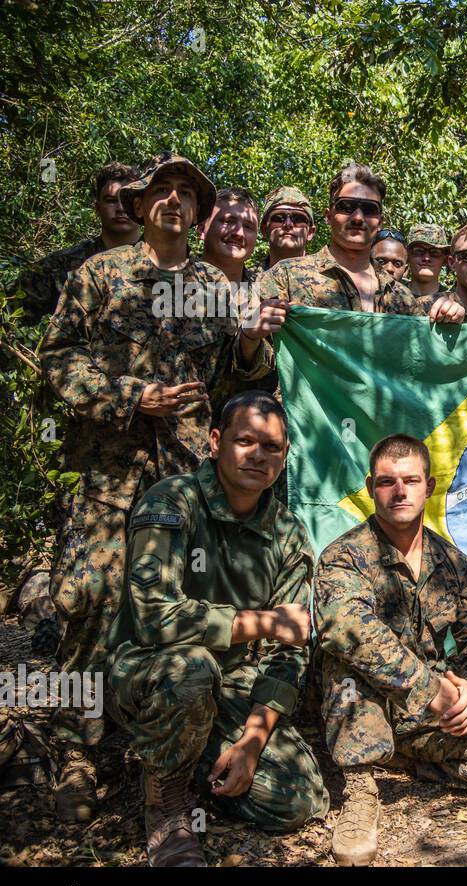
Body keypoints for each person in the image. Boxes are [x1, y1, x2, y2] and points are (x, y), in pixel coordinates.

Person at [38, 152, 278, 823]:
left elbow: (240, 385)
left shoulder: (216, 289)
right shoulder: (99, 274)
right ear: (142, 205)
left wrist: (255, 345)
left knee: (178, 614)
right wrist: (128, 396)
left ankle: (166, 770)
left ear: (198, 215)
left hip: (183, 487)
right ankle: (79, 759)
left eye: (187, 194)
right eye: (161, 191)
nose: (174, 200)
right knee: (89, 608)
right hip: (108, 479)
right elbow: (57, 358)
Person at [105, 391, 329, 866]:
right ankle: (165, 805)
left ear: (285, 456)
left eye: (272, 447)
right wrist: (259, 622)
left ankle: (197, 752)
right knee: (192, 669)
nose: (258, 455)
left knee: (297, 802)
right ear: (215, 442)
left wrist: (251, 741)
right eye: (245, 441)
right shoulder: (174, 500)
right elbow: (153, 617)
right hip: (151, 669)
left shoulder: (287, 532)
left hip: (230, 682)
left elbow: (287, 651)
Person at [314, 434, 467, 866]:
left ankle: (398, 755)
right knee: (349, 660)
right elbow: (346, 627)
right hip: (363, 701)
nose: (399, 491)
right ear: (370, 486)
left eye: (411, 480)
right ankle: (360, 788)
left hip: (423, 714)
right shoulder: (343, 558)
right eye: (387, 482)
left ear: (429, 486)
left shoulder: (460, 566)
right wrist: (430, 688)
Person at [256, 163, 423, 319]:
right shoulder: (284, 277)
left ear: (380, 222)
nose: (358, 218)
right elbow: (246, 345)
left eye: (369, 209)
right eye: (346, 207)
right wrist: (250, 336)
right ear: (328, 216)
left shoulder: (401, 297)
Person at [19, 161, 140, 326]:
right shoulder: (60, 266)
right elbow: (12, 318)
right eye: (111, 200)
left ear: (141, 207)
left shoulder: (166, 265)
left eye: (127, 200)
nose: (120, 208)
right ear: (97, 208)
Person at [258, 186, 316, 269]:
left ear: (310, 232)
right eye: (278, 218)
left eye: (298, 219)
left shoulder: (332, 279)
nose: (288, 224)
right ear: (264, 229)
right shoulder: (244, 280)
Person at [407, 223, 452, 310]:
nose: (426, 258)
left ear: (445, 260)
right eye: (419, 251)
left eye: (435, 252)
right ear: (407, 256)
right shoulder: (392, 294)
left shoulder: (452, 300)